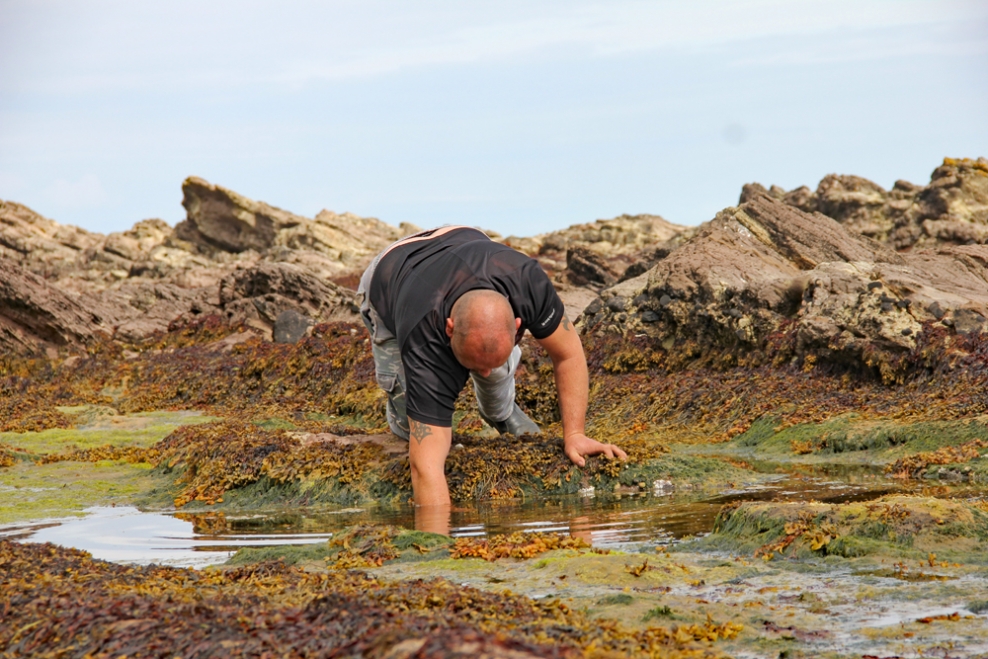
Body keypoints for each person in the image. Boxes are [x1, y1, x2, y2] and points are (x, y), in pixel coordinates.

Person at [357, 225, 626, 530]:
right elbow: (425, 468)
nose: (481, 373)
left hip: (460, 239)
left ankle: (501, 412)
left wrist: (575, 435)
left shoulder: (529, 283)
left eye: (490, 363)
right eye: (472, 365)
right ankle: (400, 409)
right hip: (390, 276)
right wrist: (435, 552)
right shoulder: (423, 330)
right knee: (411, 426)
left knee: (495, 373)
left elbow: (569, 354)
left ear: (517, 325)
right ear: (449, 329)